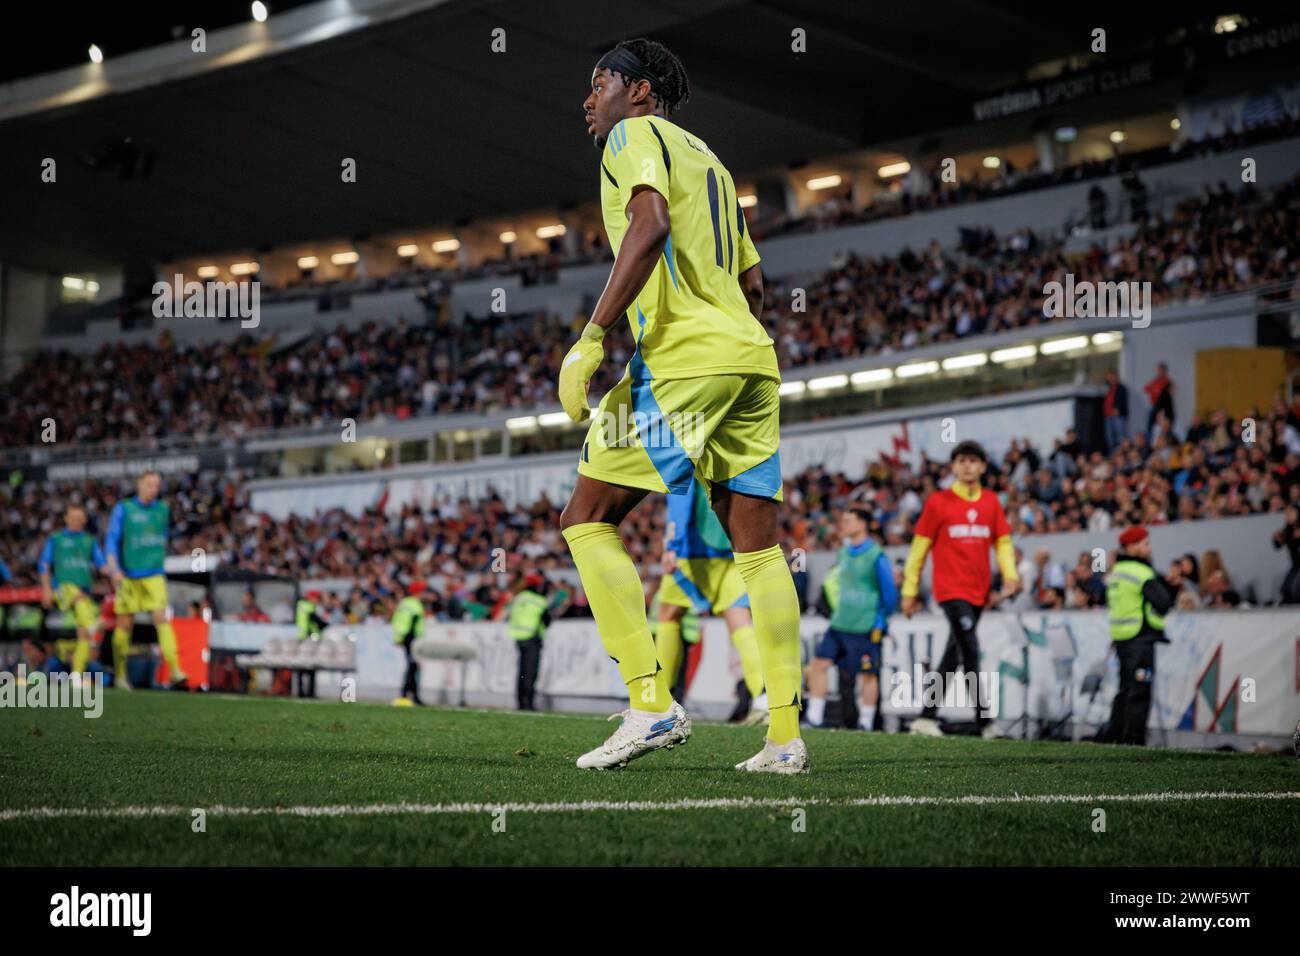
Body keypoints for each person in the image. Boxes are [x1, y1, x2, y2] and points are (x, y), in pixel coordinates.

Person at [558, 38, 805, 772]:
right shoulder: (716, 164)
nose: (588, 100)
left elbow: (649, 224)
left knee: (585, 517)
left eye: (599, 82)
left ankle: (649, 703)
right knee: (758, 552)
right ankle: (785, 738)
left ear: (638, 92)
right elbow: (756, 281)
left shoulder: (637, 136)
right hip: (751, 361)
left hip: (684, 363)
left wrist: (593, 336)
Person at [901, 441, 1020, 739]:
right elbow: (919, 549)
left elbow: (1003, 543)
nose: (967, 466)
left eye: (973, 460)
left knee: (953, 655)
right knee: (970, 648)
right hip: (951, 591)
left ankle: (926, 717)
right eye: (961, 460)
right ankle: (986, 723)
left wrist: (1010, 575)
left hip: (979, 592)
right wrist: (909, 590)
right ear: (953, 466)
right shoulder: (938, 502)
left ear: (982, 466)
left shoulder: (991, 502)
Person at [653, 473, 765, 721]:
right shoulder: (731, 455)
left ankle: (659, 702)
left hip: (693, 550)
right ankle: (764, 698)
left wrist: (672, 544)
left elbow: (680, 498)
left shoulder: (689, 450)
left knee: (668, 615)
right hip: (730, 547)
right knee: (740, 620)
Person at [805, 508, 897, 731]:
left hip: (865, 625)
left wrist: (881, 620)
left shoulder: (876, 555)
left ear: (863, 524)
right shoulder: (844, 552)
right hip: (839, 623)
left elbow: (890, 593)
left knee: (868, 674)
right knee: (818, 665)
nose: (843, 524)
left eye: (848, 520)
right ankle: (814, 717)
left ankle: (865, 722)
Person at [103, 472, 188, 690]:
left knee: (161, 618)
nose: (154, 489)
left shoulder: (163, 510)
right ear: (139, 484)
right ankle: (121, 675)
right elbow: (112, 540)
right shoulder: (124, 509)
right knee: (125, 624)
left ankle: (176, 669)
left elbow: (163, 536)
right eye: (150, 484)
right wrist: (114, 570)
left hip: (154, 574)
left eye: (157, 485)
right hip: (128, 576)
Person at [1101, 526, 1175, 745]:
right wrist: (1172, 588)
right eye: (1145, 544)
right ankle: (1134, 740)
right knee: (1140, 691)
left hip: (1122, 640)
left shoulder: (1117, 572)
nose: (1149, 548)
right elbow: (1163, 604)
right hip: (1141, 640)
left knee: (1124, 689)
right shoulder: (1142, 573)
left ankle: (1114, 736)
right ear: (1131, 546)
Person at [38, 505, 107, 675]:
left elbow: (101, 563)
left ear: (84, 520)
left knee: (83, 634)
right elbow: (44, 564)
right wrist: (46, 589)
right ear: (66, 519)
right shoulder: (56, 538)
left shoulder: (89, 541)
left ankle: (76, 674)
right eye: (73, 518)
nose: (77, 521)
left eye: (80, 518)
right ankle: (92, 623)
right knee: (76, 597)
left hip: (84, 591)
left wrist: (110, 571)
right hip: (62, 589)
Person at [507, 573, 551, 711]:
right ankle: (529, 703)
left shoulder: (518, 598)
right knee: (531, 672)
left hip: (519, 638)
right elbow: (547, 620)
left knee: (521, 671)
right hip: (533, 638)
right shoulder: (539, 600)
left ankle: (520, 702)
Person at [391, 579, 427, 706]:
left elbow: (397, 621)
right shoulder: (415, 604)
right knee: (413, 666)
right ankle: (404, 694)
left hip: (404, 637)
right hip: (411, 638)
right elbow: (413, 622)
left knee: (413, 666)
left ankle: (413, 696)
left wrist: (398, 638)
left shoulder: (403, 603)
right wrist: (413, 639)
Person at [294, 588, 326, 698]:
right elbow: (315, 620)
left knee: (302, 667)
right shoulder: (307, 606)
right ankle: (309, 692)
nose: (317, 601)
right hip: (308, 639)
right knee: (310, 667)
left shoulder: (300, 605)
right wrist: (325, 625)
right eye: (317, 598)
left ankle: (301, 692)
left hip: (301, 638)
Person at [1102, 370, 1129, 452]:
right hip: (1108, 416)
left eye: (1111, 376)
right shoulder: (1107, 387)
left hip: (1118, 416)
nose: (1109, 378)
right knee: (1110, 438)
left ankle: (1122, 454)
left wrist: (1118, 409)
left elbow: (1123, 401)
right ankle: (1113, 455)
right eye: (1108, 377)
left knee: (1120, 438)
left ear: (1116, 377)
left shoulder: (1121, 388)